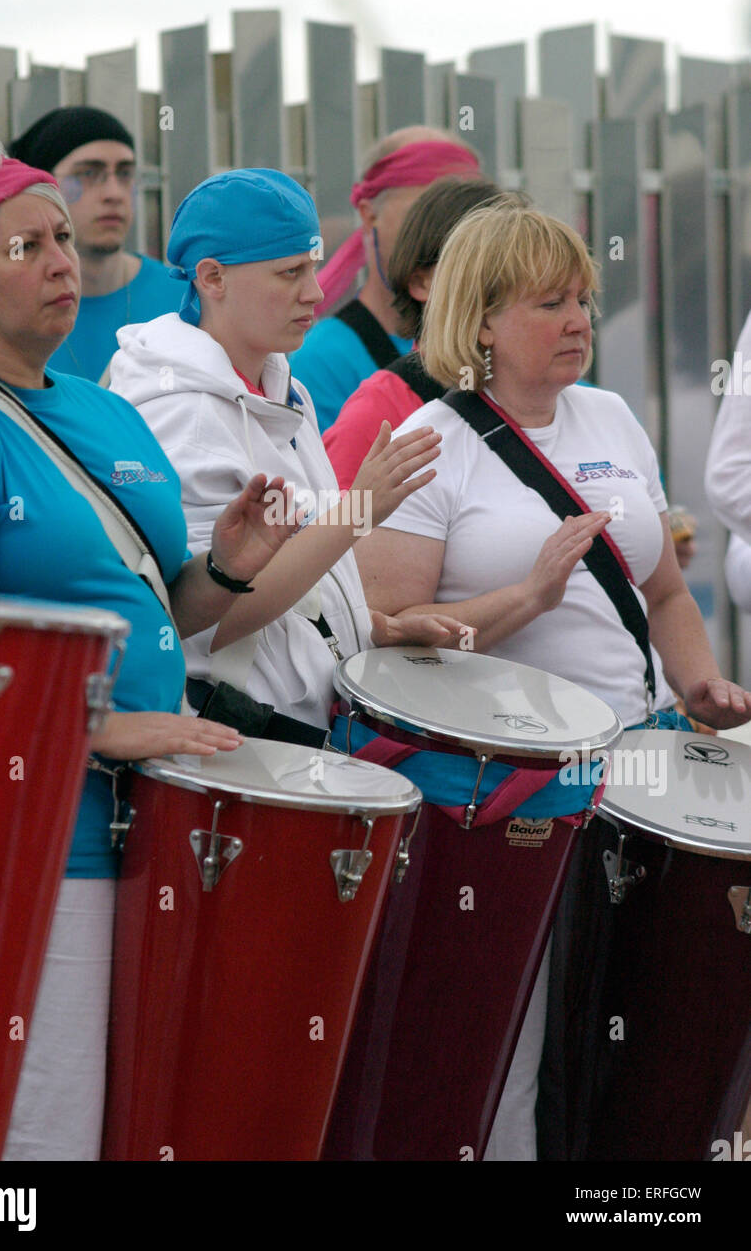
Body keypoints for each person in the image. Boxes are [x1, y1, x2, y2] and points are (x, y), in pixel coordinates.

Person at [0, 126, 304, 1160]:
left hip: (150, 826)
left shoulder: (106, 414)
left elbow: (168, 609)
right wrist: (107, 729)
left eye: (63, 237)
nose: (64, 261)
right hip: (37, 843)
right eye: (25, 247)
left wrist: (231, 568)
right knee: (44, 1140)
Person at [348, 202, 751, 1160]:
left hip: (634, 773)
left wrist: (702, 686)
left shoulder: (610, 415)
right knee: (525, 1046)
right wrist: (527, 595)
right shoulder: (431, 443)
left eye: (583, 298)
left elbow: (664, 591)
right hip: (512, 791)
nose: (579, 320)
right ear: (480, 319)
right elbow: (386, 643)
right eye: (549, 303)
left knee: (642, 1034)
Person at [109, 167, 469, 741]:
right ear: (212, 278)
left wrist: (367, 627)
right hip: (236, 741)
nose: (316, 291)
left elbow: (291, 588)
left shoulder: (278, 381)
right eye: (289, 272)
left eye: (313, 266)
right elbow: (206, 624)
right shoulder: (182, 411)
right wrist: (357, 512)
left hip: (290, 735)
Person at [287, 126, 482, 431]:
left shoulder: (510, 343)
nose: (456, 233)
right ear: (368, 215)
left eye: (472, 215)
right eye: (428, 211)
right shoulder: (322, 364)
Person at [324, 175, 510, 489]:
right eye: (476, 271)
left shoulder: (568, 401)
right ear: (421, 282)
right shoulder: (376, 415)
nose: (503, 288)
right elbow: (334, 533)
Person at [8, 106, 184, 382]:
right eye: (88, 174)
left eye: (125, 173)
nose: (113, 193)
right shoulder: (8, 311)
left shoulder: (187, 301)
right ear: (41, 188)